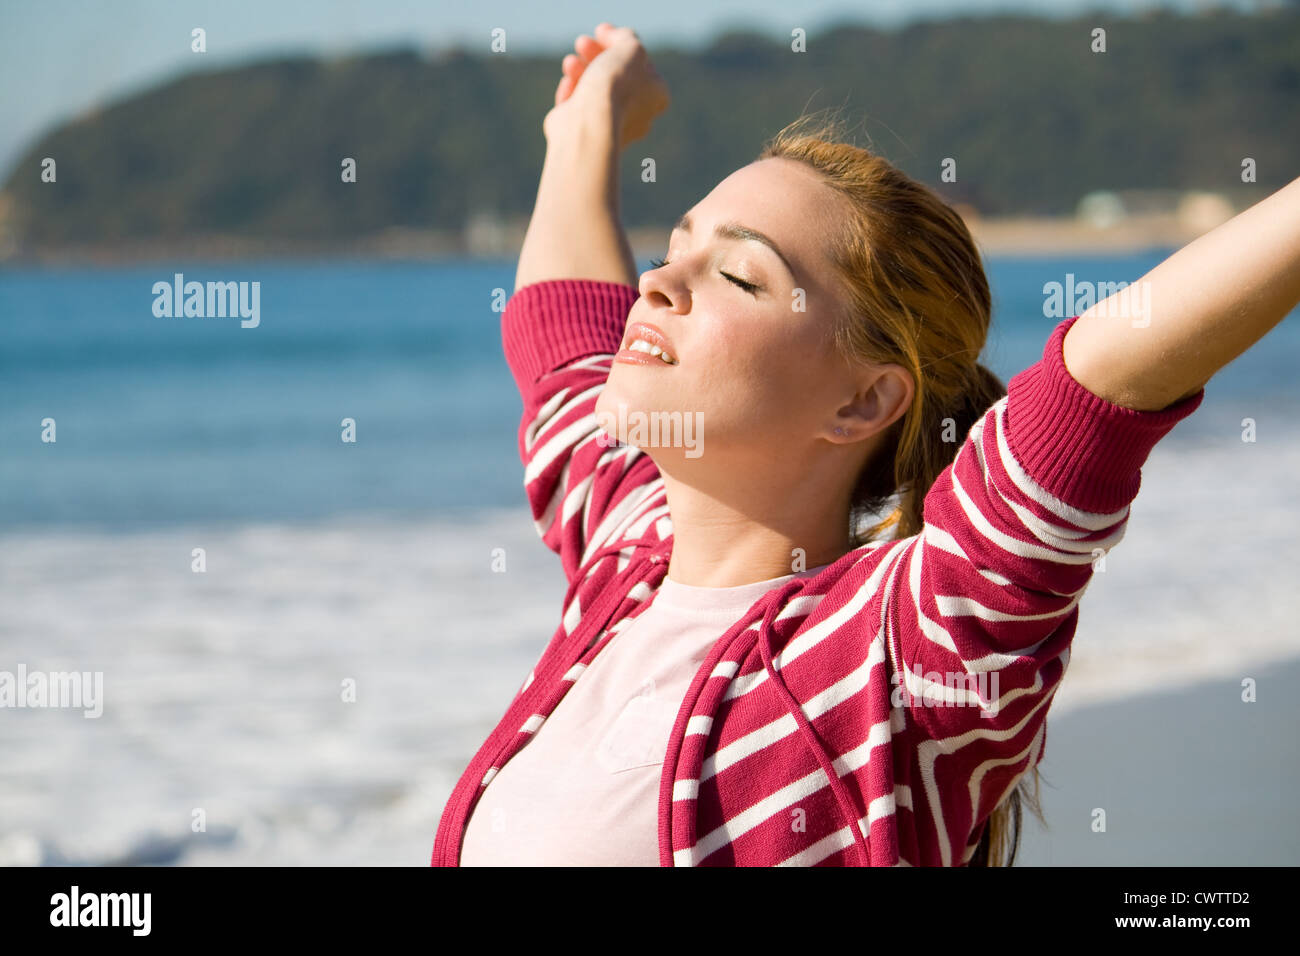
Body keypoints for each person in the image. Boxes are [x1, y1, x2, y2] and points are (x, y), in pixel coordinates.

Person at [433, 22, 1300, 866]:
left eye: (738, 275)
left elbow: (1098, 383)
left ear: (864, 401)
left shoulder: (902, 652)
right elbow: (565, 343)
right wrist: (589, 118)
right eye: (673, 247)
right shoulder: (626, 559)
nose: (658, 284)